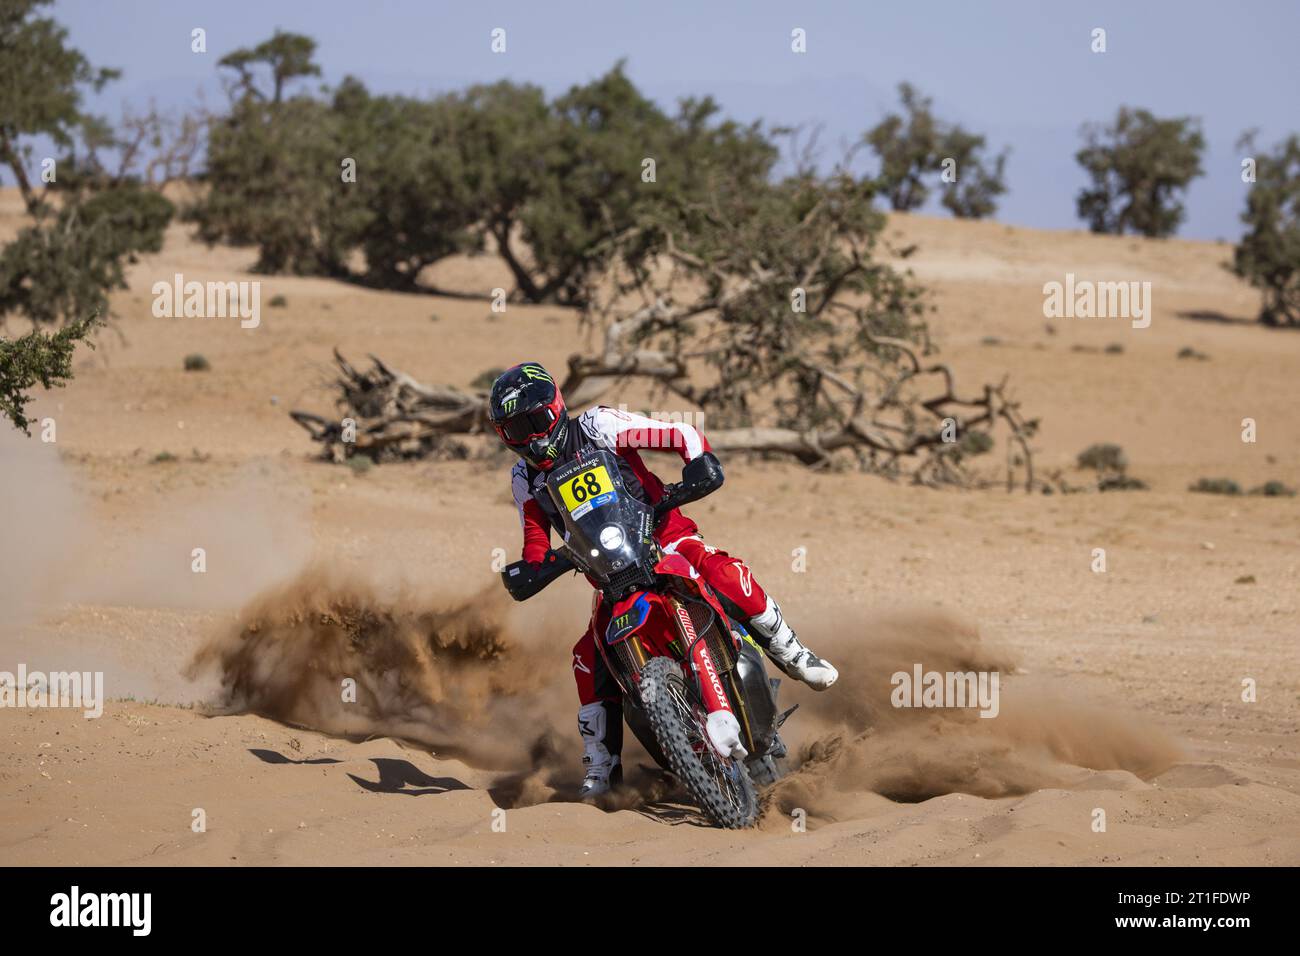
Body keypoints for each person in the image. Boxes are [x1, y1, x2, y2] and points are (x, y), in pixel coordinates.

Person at [489, 361, 838, 797]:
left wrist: (698, 463)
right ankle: (601, 767)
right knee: (586, 656)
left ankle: (792, 651)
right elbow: (535, 539)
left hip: (664, 539)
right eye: (515, 431)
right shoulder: (524, 478)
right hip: (608, 574)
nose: (532, 438)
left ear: (556, 407)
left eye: (535, 421)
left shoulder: (598, 425)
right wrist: (533, 568)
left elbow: (679, 435)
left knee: (724, 573)